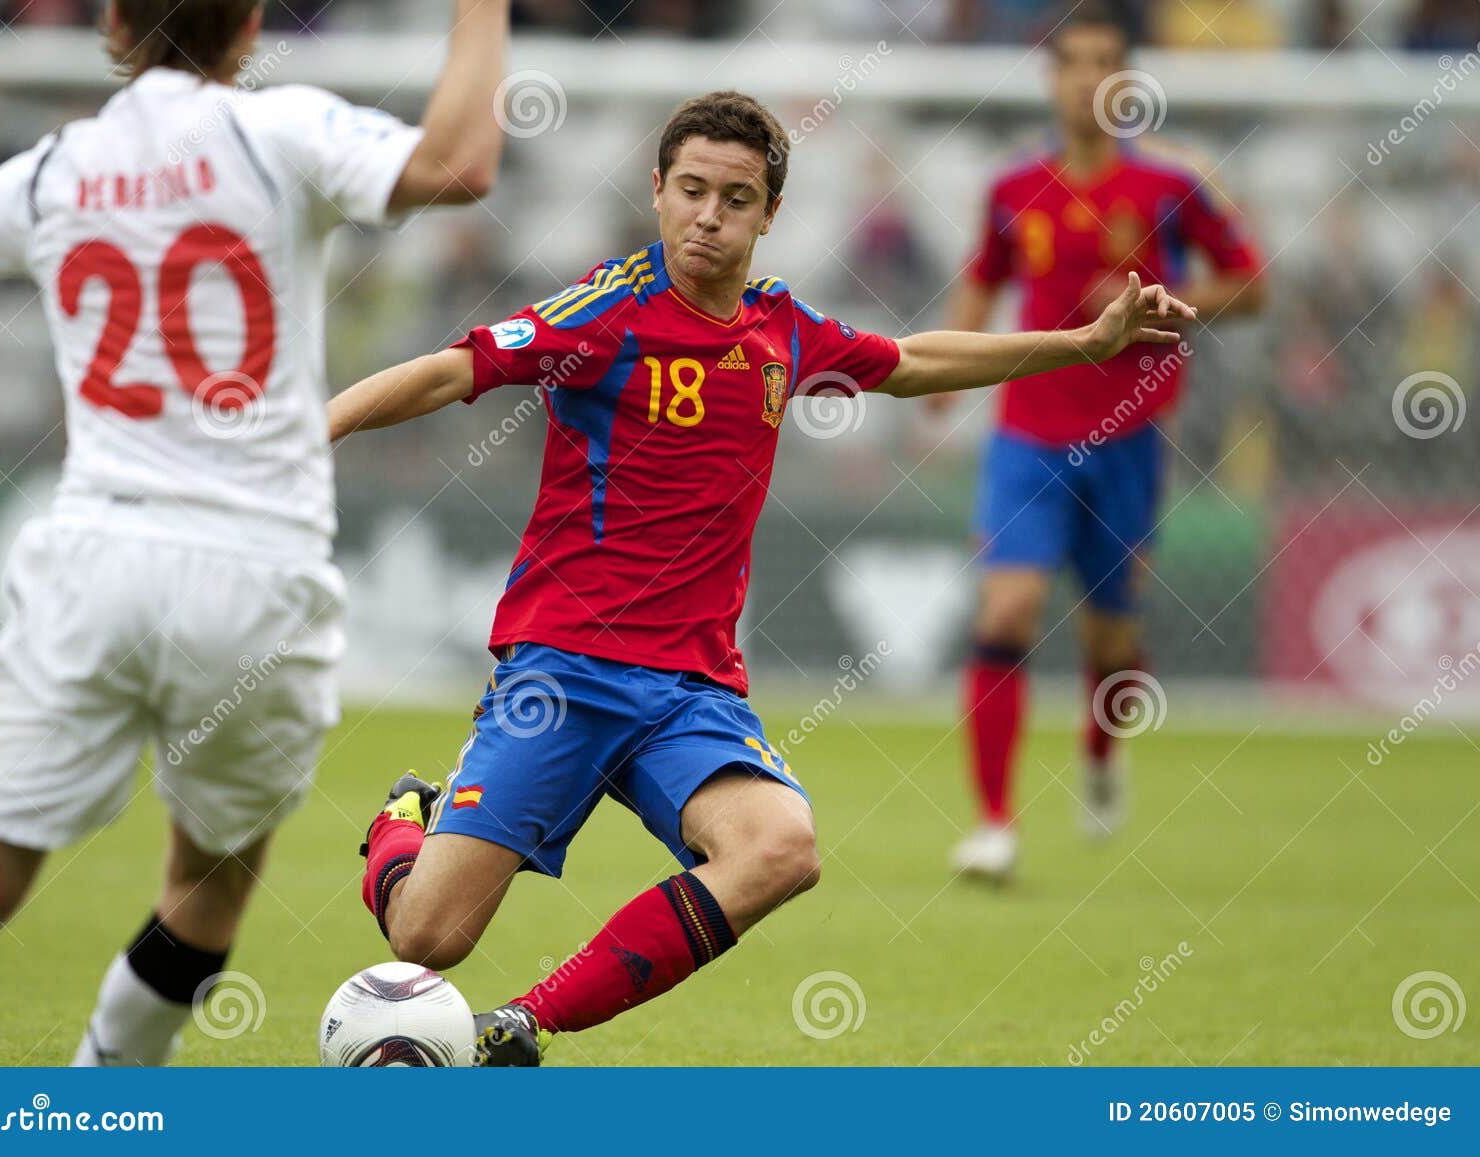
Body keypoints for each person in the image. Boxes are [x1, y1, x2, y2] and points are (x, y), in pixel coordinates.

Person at [328, 89, 1195, 1063]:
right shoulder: (604, 311)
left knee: (781, 847)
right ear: (657, 192)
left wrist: (1081, 343)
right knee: (427, 937)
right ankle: (404, 819)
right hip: (562, 666)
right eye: (691, 190)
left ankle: (523, 1022)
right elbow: (453, 369)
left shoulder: (781, 329)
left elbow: (913, 359)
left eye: (734, 198)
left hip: (688, 687)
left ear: (767, 213)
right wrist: (307, 432)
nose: (708, 215)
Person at [0, 0, 509, 1064]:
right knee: (208, 884)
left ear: (115, 21)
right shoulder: (281, 131)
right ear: (250, 22)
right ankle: (103, 1093)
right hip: (257, 568)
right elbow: (460, 165)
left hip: (96, 552)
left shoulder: (52, 169)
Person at [936, 1, 1264, 881]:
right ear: (1052, 79)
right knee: (1005, 611)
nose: (1088, 77)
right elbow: (981, 282)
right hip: (1028, 435)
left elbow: (1252, 286)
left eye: (1104, 61)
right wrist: (928, 385)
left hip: (1129, 442)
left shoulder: (1170, 189)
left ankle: (1100, 753)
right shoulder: (1012, 191)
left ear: (1128, 80)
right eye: (1072, 61)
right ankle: (995, 823)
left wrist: (1170, 307)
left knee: (1111, 641)